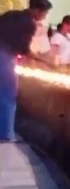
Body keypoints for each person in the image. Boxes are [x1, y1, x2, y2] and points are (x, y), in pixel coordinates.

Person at [0, 10, 37, 142]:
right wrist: (38, 58)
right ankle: (5, 134)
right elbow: (24, 46)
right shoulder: (27, 23)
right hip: (5, 56)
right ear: (38, 11)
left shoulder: (10, 16)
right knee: (8, 94)